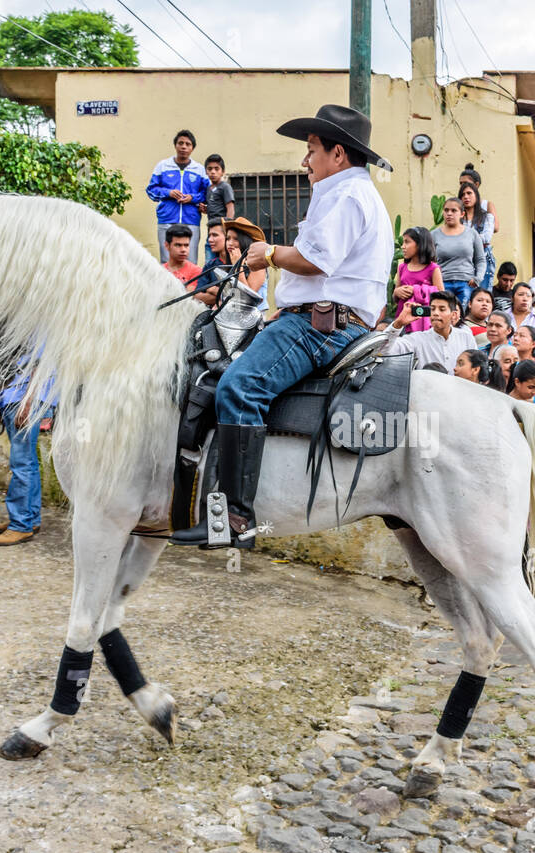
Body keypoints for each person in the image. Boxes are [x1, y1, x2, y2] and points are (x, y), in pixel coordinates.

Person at [169, 104, 393, 548]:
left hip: (319, 327)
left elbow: (313, 260)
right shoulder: (346, 193)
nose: (305, 160)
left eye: (311, 150)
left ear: (338, 155)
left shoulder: (347, 196)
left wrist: (267, 253)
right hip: (318, 318)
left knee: (238, 387)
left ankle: (232, 520)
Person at [0, 360, 56, 546]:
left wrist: (27, 404)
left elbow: (41, 369)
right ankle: (30, 520)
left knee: (22, 464)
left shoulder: (38, 333)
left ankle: (20, 525)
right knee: (28, 463)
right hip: (14, 399)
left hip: (24, 401)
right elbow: (11, 373)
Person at [147, 129, 209, 264]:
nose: (184, 147)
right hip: (167, 220)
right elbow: (151, 190)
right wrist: (168, 193)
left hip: (191, 221)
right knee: (167, 261)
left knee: (190, 262)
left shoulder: (199, 169)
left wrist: (192, 198)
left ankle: (189, 286)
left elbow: (207, 193)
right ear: (175, 145)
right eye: (180, 143)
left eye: (188, 144)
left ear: (192, 148)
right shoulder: (162, 166)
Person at [383, 290, 476, 372]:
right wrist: (398, 323)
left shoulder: (466, 337)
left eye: (442, 309)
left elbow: (476, 367)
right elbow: (382, 351)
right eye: (432, 309)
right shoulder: (416, 339)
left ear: (454, 315)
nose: (435, 313)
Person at [431, 197, 484, 311]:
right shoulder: (434, 235)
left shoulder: (472, 234)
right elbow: (428, 262)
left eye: (454, 211)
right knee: (444, 316)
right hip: (442, 283)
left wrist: (477, 278)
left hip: (466, 284)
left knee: (462, 317)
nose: (449, 214)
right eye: (446, 210)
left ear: (462, 214)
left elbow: (480, 259)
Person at [393, 226, 443, 331]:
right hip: (402, 319)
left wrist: (415, 290)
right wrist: (397, 292)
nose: (403, 246)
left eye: (407, 242)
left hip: (424, 319)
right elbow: (395, 297)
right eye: (403, 243)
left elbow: (441, 295)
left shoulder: (433, 268)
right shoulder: (402, 267)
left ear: (420, 244)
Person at [458, 181, 496, 292]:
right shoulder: (457, 219)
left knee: (482, 295)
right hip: (462, 262)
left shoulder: (486, 216)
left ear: (476, 195)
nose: (466, 197)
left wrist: (463, 239)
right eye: (463, 194)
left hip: (483, 258)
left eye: (469, 193)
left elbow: (487, 237)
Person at [200, 154, 236, 235]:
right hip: (211, 228)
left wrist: (227, 228)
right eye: (210, 169)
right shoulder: (209, 189)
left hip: (221, 229)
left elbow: (230, 209)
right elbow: (214, 207)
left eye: (216, 169)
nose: (213, 172)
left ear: (223, 172)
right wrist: (205, 209)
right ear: (206, 171)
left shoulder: (225, 187)